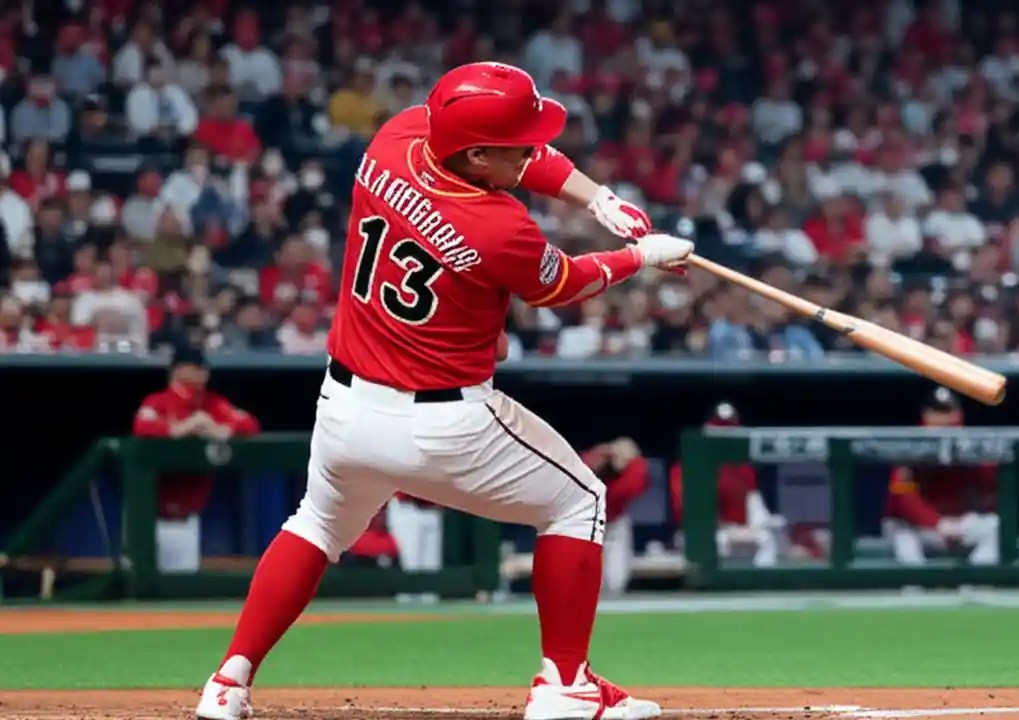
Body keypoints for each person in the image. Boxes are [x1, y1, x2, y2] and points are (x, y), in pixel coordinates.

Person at [194, 62, 684, 720]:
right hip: (444, 424)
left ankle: (228, 681)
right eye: (515, 144)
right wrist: (640, 256)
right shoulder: (499, 226)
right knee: (579, 503)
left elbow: (511, 158)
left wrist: (595, 199)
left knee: (314, 525)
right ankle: (565, 686)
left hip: (346, 408)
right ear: (477, 155)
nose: (530, 150)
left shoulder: (398, 136)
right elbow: (562, 283)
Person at [132, 346, 260, 573]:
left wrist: (219, 428)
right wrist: (180, 428)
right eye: (195, 368)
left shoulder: (213, 404)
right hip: (148, 517)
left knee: (179, 587)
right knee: (139, 587)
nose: (202, 373)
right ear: (177, 370)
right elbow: (142, 426)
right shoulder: (158, 402)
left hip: (187, 518)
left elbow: (249, 424)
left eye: (203, 368)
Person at [881, 387, 1000, 566]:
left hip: (959, 524)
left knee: (995, 526)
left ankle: (975, 583)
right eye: (936, 412)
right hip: (922, 527)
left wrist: (972, 454)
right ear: (926, 415)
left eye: (947, 411)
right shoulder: (910, 444)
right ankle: (916, 584)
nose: (942, 418)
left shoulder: (968, 442)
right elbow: (900, 494)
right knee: (900, 531)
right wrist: (936, 523)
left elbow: (991, 485)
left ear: (958, 414)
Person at [668, 402, 786, 567]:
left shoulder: (744, 468)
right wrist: (721, 525)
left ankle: (761, 588)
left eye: (728, 430)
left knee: (766, 540)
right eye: (718, 430)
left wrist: (761, 523)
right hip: (698, 534)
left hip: (736, 530)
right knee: (716, 544)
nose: (723, 436)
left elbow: (753, 504)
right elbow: (686, 510)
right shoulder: (685, 468)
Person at [580, 436, 650, 596]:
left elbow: (627, 488)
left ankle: (613, 592)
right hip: (584, 519)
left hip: (613, 519)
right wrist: (603, 455)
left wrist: (632, 460)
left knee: (615, 578)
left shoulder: (630, 475)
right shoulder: (589, 464)